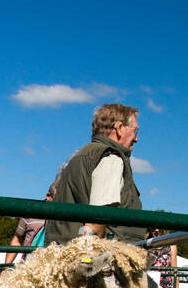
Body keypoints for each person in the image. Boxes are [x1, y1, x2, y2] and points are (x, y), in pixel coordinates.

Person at [44, 103, 143, 245]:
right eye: (135, 131)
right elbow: (97, 219)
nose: (136, 139)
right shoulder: (111, 158)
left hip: (66, 249)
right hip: (101, 257)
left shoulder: (79, 157)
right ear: (120, 128)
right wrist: (90, 260)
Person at [6, 182, 57, 262]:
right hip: (30, 267)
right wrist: (5, 268)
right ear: (48, 196)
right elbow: (17, 240)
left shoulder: (70, 216)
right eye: (58, 199)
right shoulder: (31, 212)